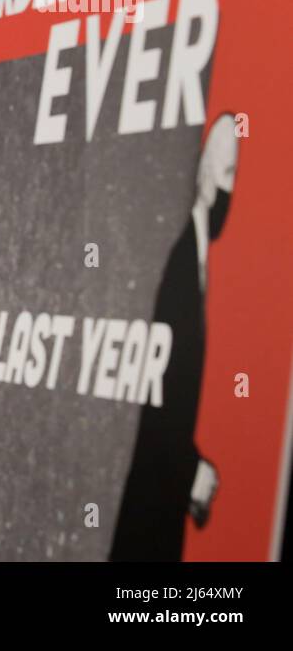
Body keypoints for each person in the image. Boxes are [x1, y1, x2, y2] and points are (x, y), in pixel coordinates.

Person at [110, 113, 236, 560]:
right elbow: (154, 401)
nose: (230, 191)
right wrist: (190, 473)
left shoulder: (194, 261)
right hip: (150, 506)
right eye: (227, 173)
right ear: (203, 174)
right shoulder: (182, 262)